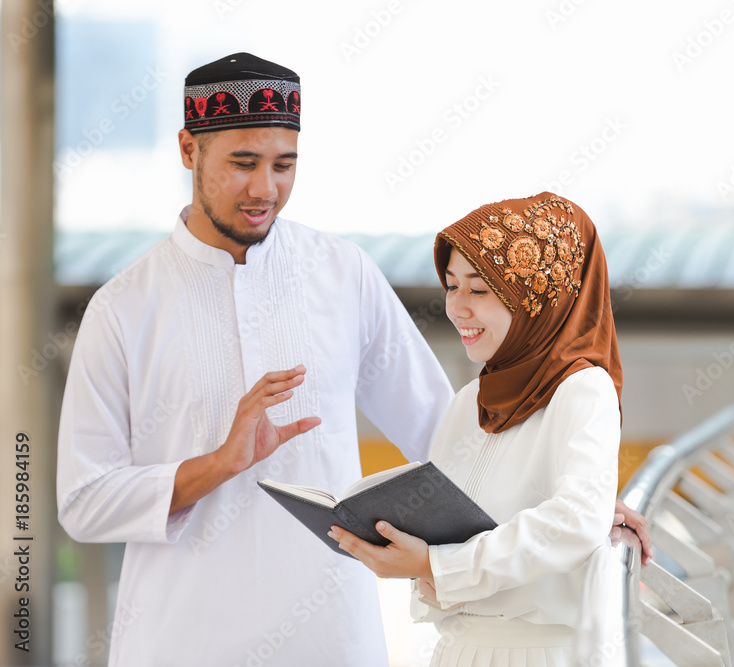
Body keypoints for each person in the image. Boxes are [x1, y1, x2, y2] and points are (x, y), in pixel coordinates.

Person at [55, 52, 455, 666]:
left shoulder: (343, 274)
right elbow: (85, 501)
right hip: (179, 647)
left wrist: (566, 499)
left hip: (333, 644)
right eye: (243, 164)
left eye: (283, 165)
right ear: (188, 149)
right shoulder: (124, 308)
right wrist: (218, 464)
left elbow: (445, 432)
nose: (265, 189)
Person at [330, 192, 636, 665]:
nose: (456, 308)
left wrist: (438, 565)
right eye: (451, 286)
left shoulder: (582, 389)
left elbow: (575, 521)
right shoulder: (471, 400)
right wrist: (408, 553)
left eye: (479, 290)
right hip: (459, 649)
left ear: (538, 296)